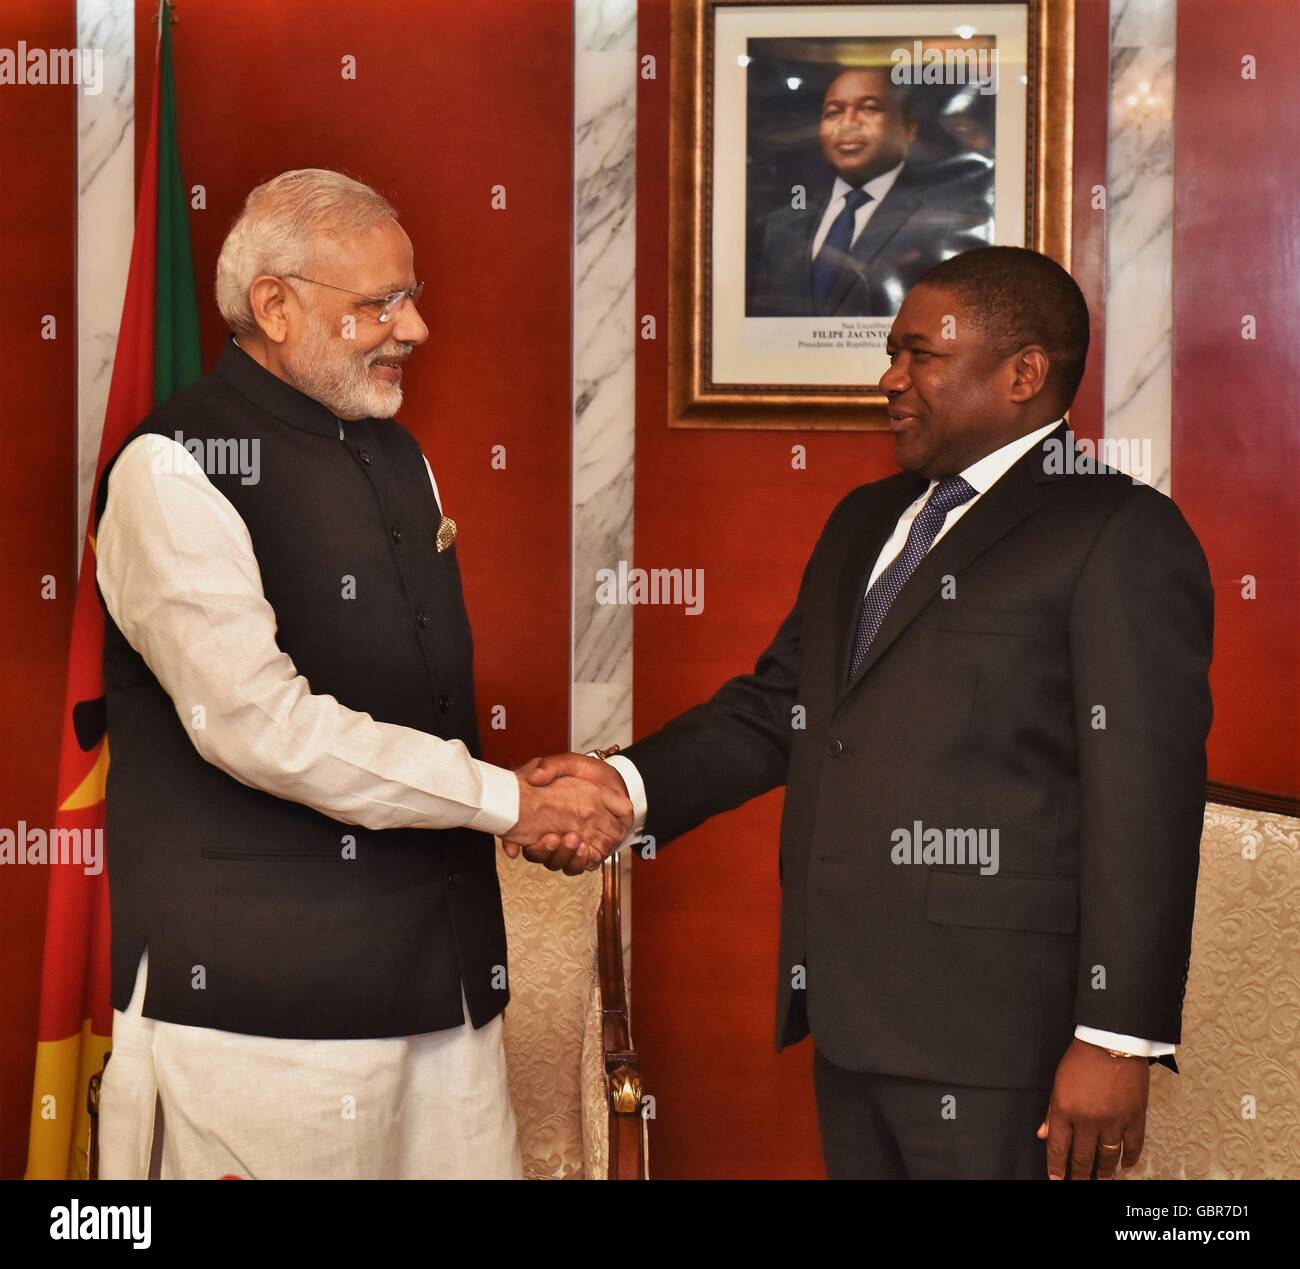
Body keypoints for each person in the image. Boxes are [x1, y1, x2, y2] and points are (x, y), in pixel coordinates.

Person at [518, 246, 1214, 1180]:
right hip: (849, 1015)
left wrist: (1117, 1037)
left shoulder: (1118, 531)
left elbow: (1148, 804)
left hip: (1007, 1044)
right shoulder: (864, 519)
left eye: (921, 354)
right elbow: (780, 708)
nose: (890, 379)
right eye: (891, 352)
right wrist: (625, 786)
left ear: (1023, 373)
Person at [93, 168, 631, 1179]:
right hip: (265, 1021)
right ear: (274, 305)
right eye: (382, 302)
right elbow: (259, 727)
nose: (414, 328)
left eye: (411, 297)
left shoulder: (398, 454)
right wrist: (509, 801)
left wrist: (511, 804)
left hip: (446, 993)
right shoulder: (173, 469)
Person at [749, 67, 993, 318]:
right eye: (834, 112)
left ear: (908, 128)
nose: (848, 124)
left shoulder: (953, 217)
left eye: (869, 108)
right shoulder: (784, 227)